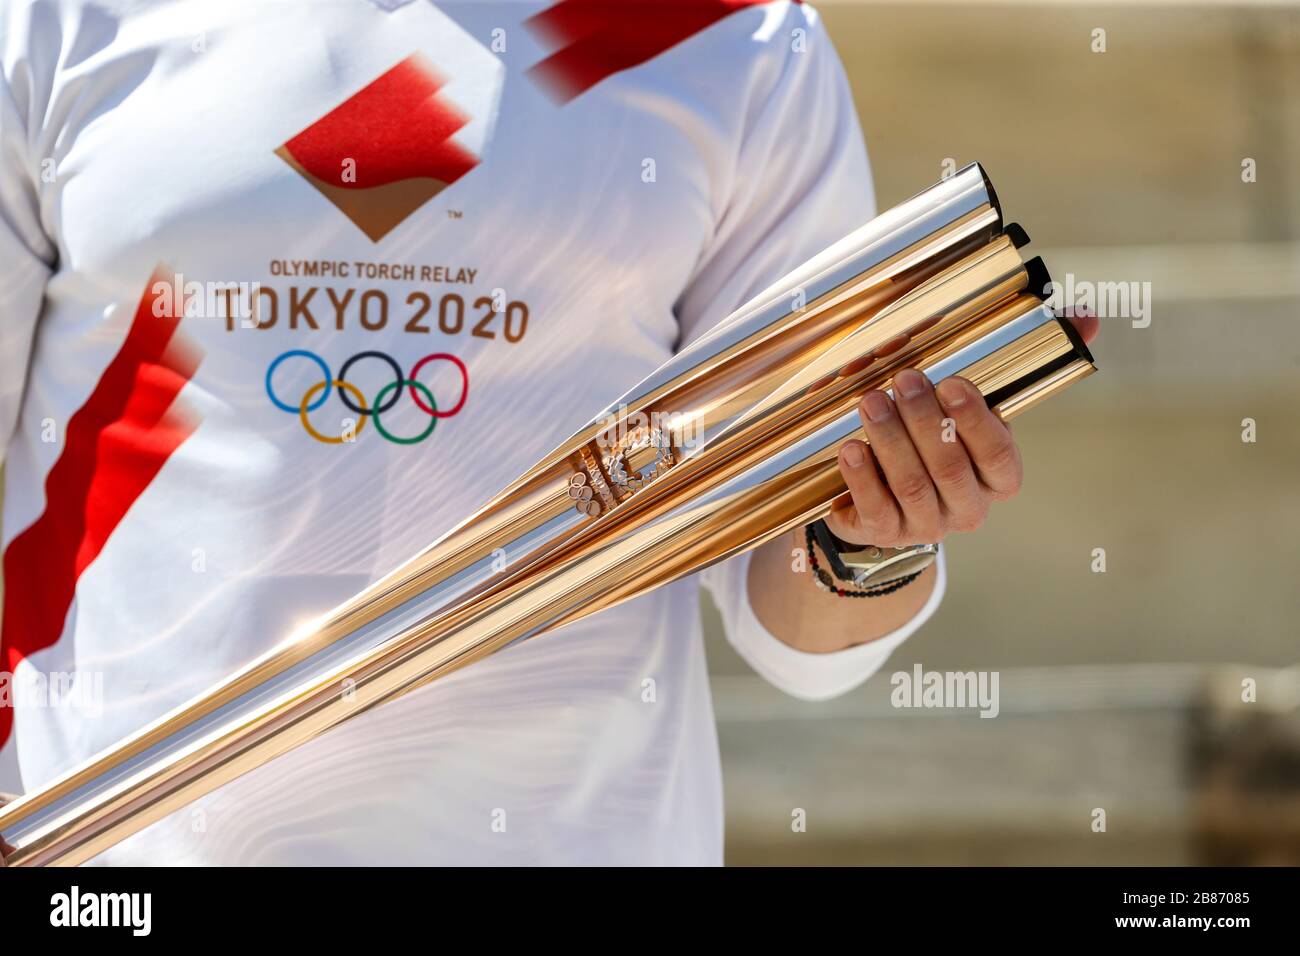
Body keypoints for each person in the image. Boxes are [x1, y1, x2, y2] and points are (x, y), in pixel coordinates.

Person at [0, 0, 1097, 865]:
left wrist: (872, 537)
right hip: (111, 856)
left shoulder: (730, 35)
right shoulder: (59, 19)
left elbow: (786, 613)